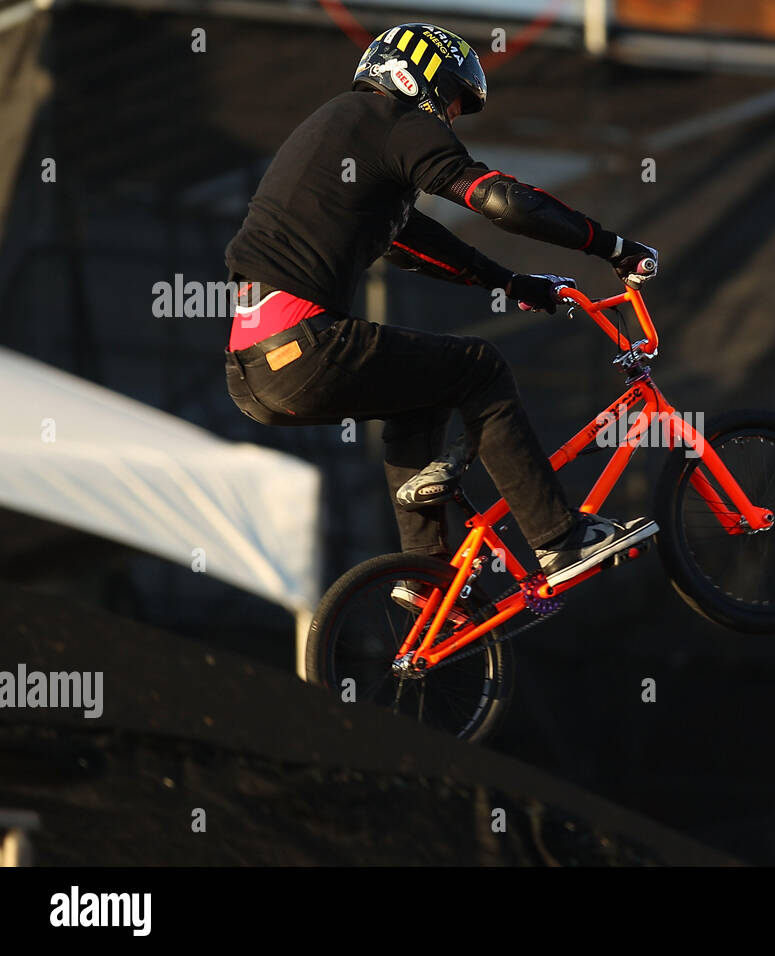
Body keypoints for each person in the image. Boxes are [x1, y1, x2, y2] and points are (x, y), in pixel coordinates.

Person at [223, 22, 659, 592]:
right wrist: (611, 247)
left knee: (419, 398)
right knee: (480, 368)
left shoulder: (340, 129)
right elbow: (498, 198)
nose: (450, 117)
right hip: (307, 347)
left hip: (255, 367)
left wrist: (510, 282)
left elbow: (409, 242)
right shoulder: (391, 121)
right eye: (452, 99)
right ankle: (558, 540)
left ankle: (425, 577)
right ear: (414, 77)